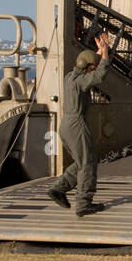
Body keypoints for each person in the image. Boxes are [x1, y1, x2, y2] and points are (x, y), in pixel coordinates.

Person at [47, 33, 111, 217]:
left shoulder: (70, 77)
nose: (93, 68)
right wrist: (105, 56)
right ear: (87, 68)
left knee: (81, 161)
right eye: (92, 66)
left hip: (65, 125)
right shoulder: (81, 82)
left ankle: (58, 189)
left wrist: (99, 52)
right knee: (88, 163)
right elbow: (100, 75)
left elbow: (90, 65)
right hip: (76, 124)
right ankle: (83, 204)